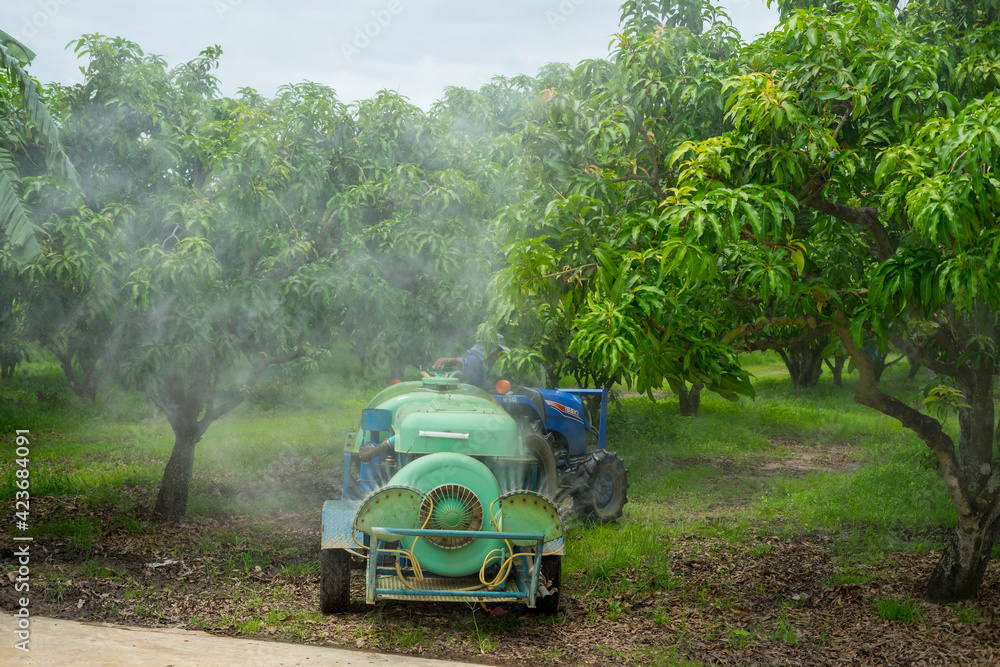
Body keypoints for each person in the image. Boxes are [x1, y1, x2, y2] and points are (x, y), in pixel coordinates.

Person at [433, 335, 509, 390]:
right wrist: (448, 360)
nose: (501, 356)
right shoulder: (475, 360)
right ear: (491, 351)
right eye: (500, 352)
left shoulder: (485, 364)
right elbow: (460, 361)